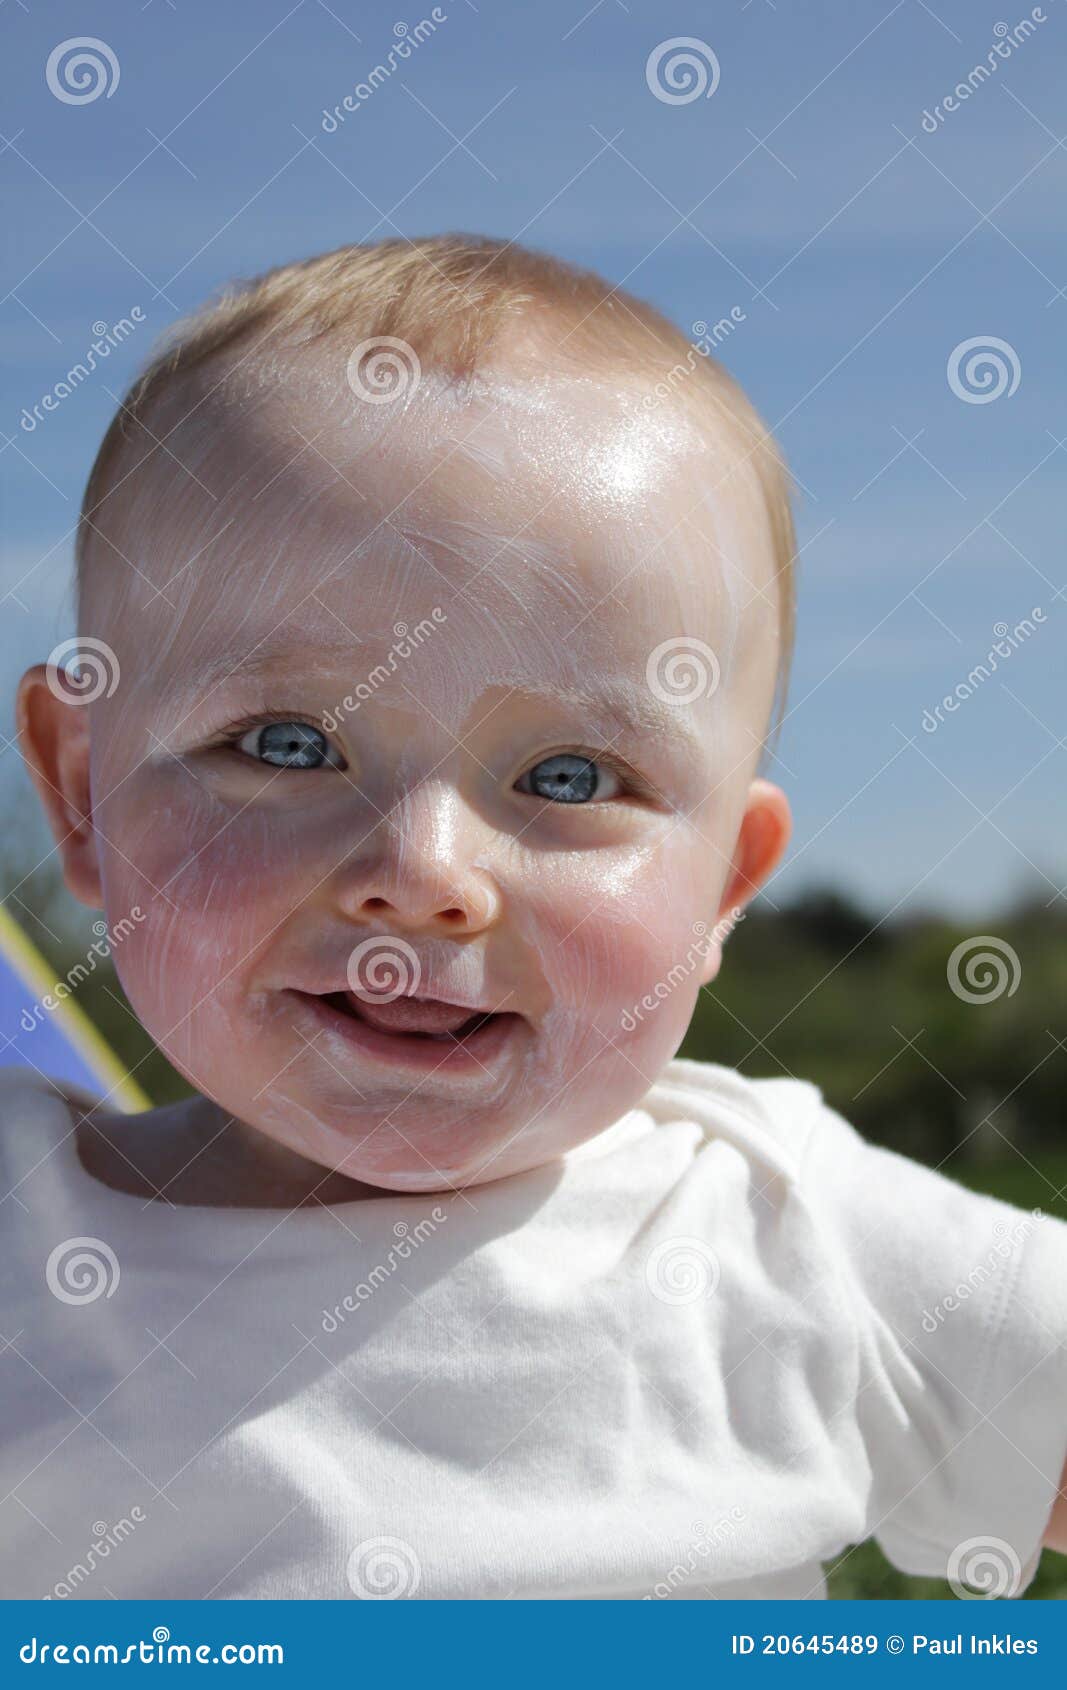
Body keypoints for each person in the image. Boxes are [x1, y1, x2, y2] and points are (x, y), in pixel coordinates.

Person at [6, 235, 1066, 1600]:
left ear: (725, 883)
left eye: (570, 777)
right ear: (83, 796)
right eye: (284, 744)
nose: (424, 871)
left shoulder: (785, 1228)